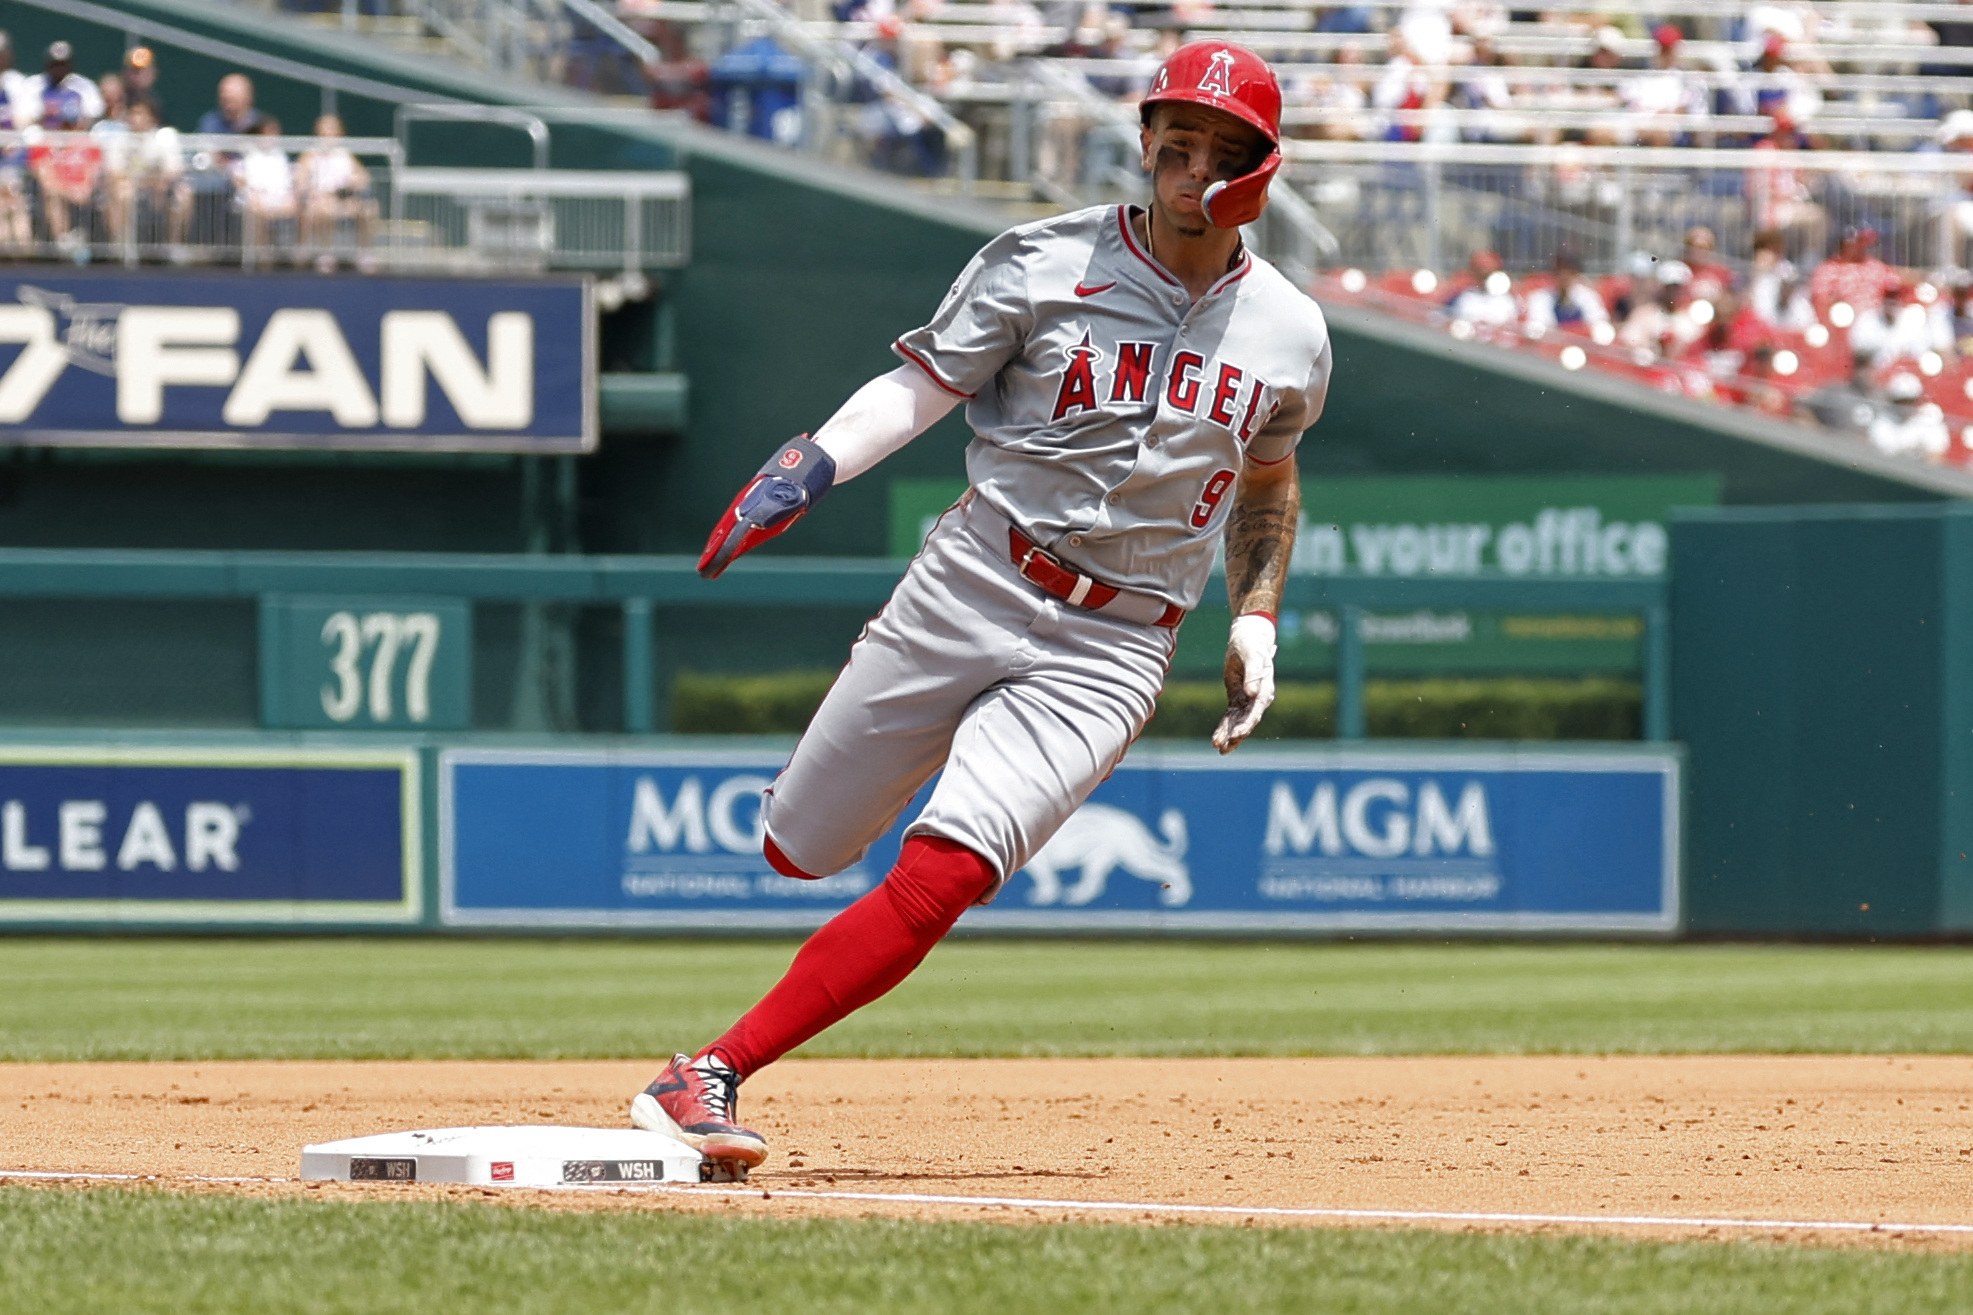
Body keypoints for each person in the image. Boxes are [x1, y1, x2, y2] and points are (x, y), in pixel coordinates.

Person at [628, 39, 1329, 1171]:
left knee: (948, 866)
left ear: (1257, 169)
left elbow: (1268, 474)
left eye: (1214, 149)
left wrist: (1254, 616)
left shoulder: (1290, 331)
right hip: (975, 573)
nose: (1183, 164)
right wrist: (813, 460)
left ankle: (704, 1071)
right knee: (799, 849)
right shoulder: (1038, 261)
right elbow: (922, 386)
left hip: (1116, 637)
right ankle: (818, 816)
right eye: (1173, 139)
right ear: (1144, 140)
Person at [297, 113, 376, 270]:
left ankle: (364, 253)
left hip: (345, 198)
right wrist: (315, 193)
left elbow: (363, 177)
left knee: (370, 208)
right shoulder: (310, 154)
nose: (329, 133)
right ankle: (326, 254)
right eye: (325, 129)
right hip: (319, 201)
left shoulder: (345, 155)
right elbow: (301, 180)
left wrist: (355, 182)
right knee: (326, 209)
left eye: (333, 129)